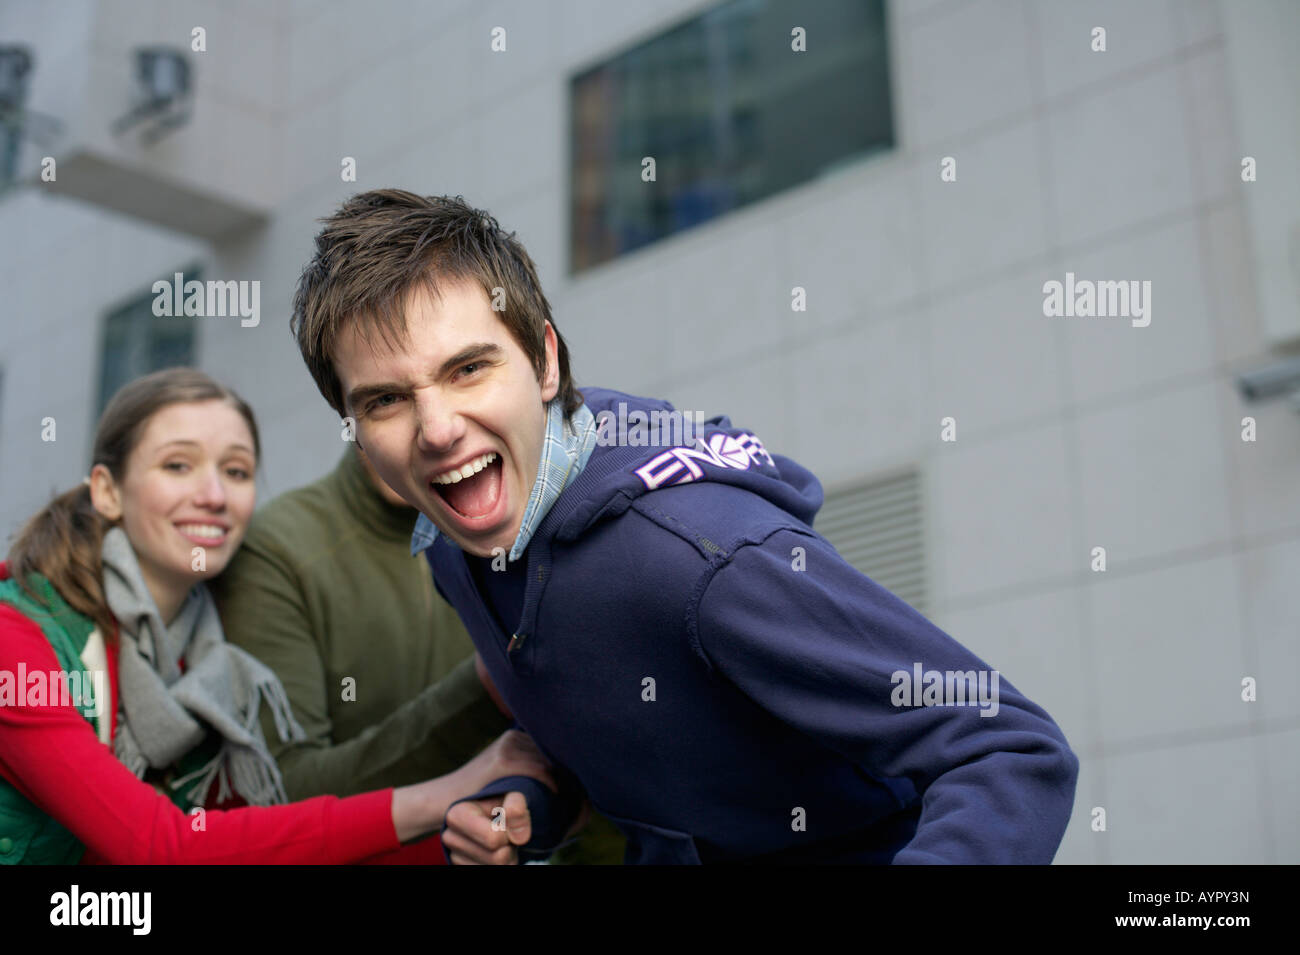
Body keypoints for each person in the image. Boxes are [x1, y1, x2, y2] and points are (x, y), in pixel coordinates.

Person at [290, 189, 1080, 865]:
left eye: (468, 368)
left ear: (545, 362)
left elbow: (1007, 748)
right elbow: (624, 725)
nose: (435, 428)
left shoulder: (702, 556)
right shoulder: (457, 545)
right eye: (385, 400)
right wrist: (532, 799)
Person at [0, 367, 555, 864]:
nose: (214, 494)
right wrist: (440, 796)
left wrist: (467, 821)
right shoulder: (16, 644)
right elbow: (163, 845)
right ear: (107, 491)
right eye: (178, 465)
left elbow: (262, 837)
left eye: (237, 471)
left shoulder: (216, 669)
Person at [208, 441, 625, 864]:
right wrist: (486, 684)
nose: (433, 429)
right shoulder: (277, 549)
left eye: (461, 373)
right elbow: (283, 795)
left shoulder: (544, 512)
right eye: (389, 398)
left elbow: (602, 765)